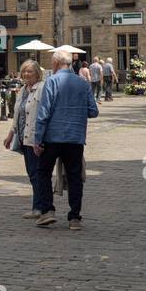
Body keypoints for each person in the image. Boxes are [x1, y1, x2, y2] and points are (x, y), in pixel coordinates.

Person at [32, 48, 98, 230]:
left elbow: (43, 113)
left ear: (55, 63)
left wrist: (37, 140)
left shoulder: (51, 81)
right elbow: (93, 111)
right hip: (75, 138)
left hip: (52, 137)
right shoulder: (83, 84)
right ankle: (74, 218)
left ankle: (48, 210)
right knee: (75, 177)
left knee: (43, 172)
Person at [4, 60, 44, 219]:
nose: (26, 74)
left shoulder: (41, 89)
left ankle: (40, 207)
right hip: (23, 137)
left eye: (30, 71)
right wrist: (11, 133)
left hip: (35, 138)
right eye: (24, 71)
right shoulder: (23, 90)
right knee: (32, 173)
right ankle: (40, 206)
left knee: (36, 173)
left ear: (37, 73)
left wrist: (40, 138)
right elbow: (17, 114)